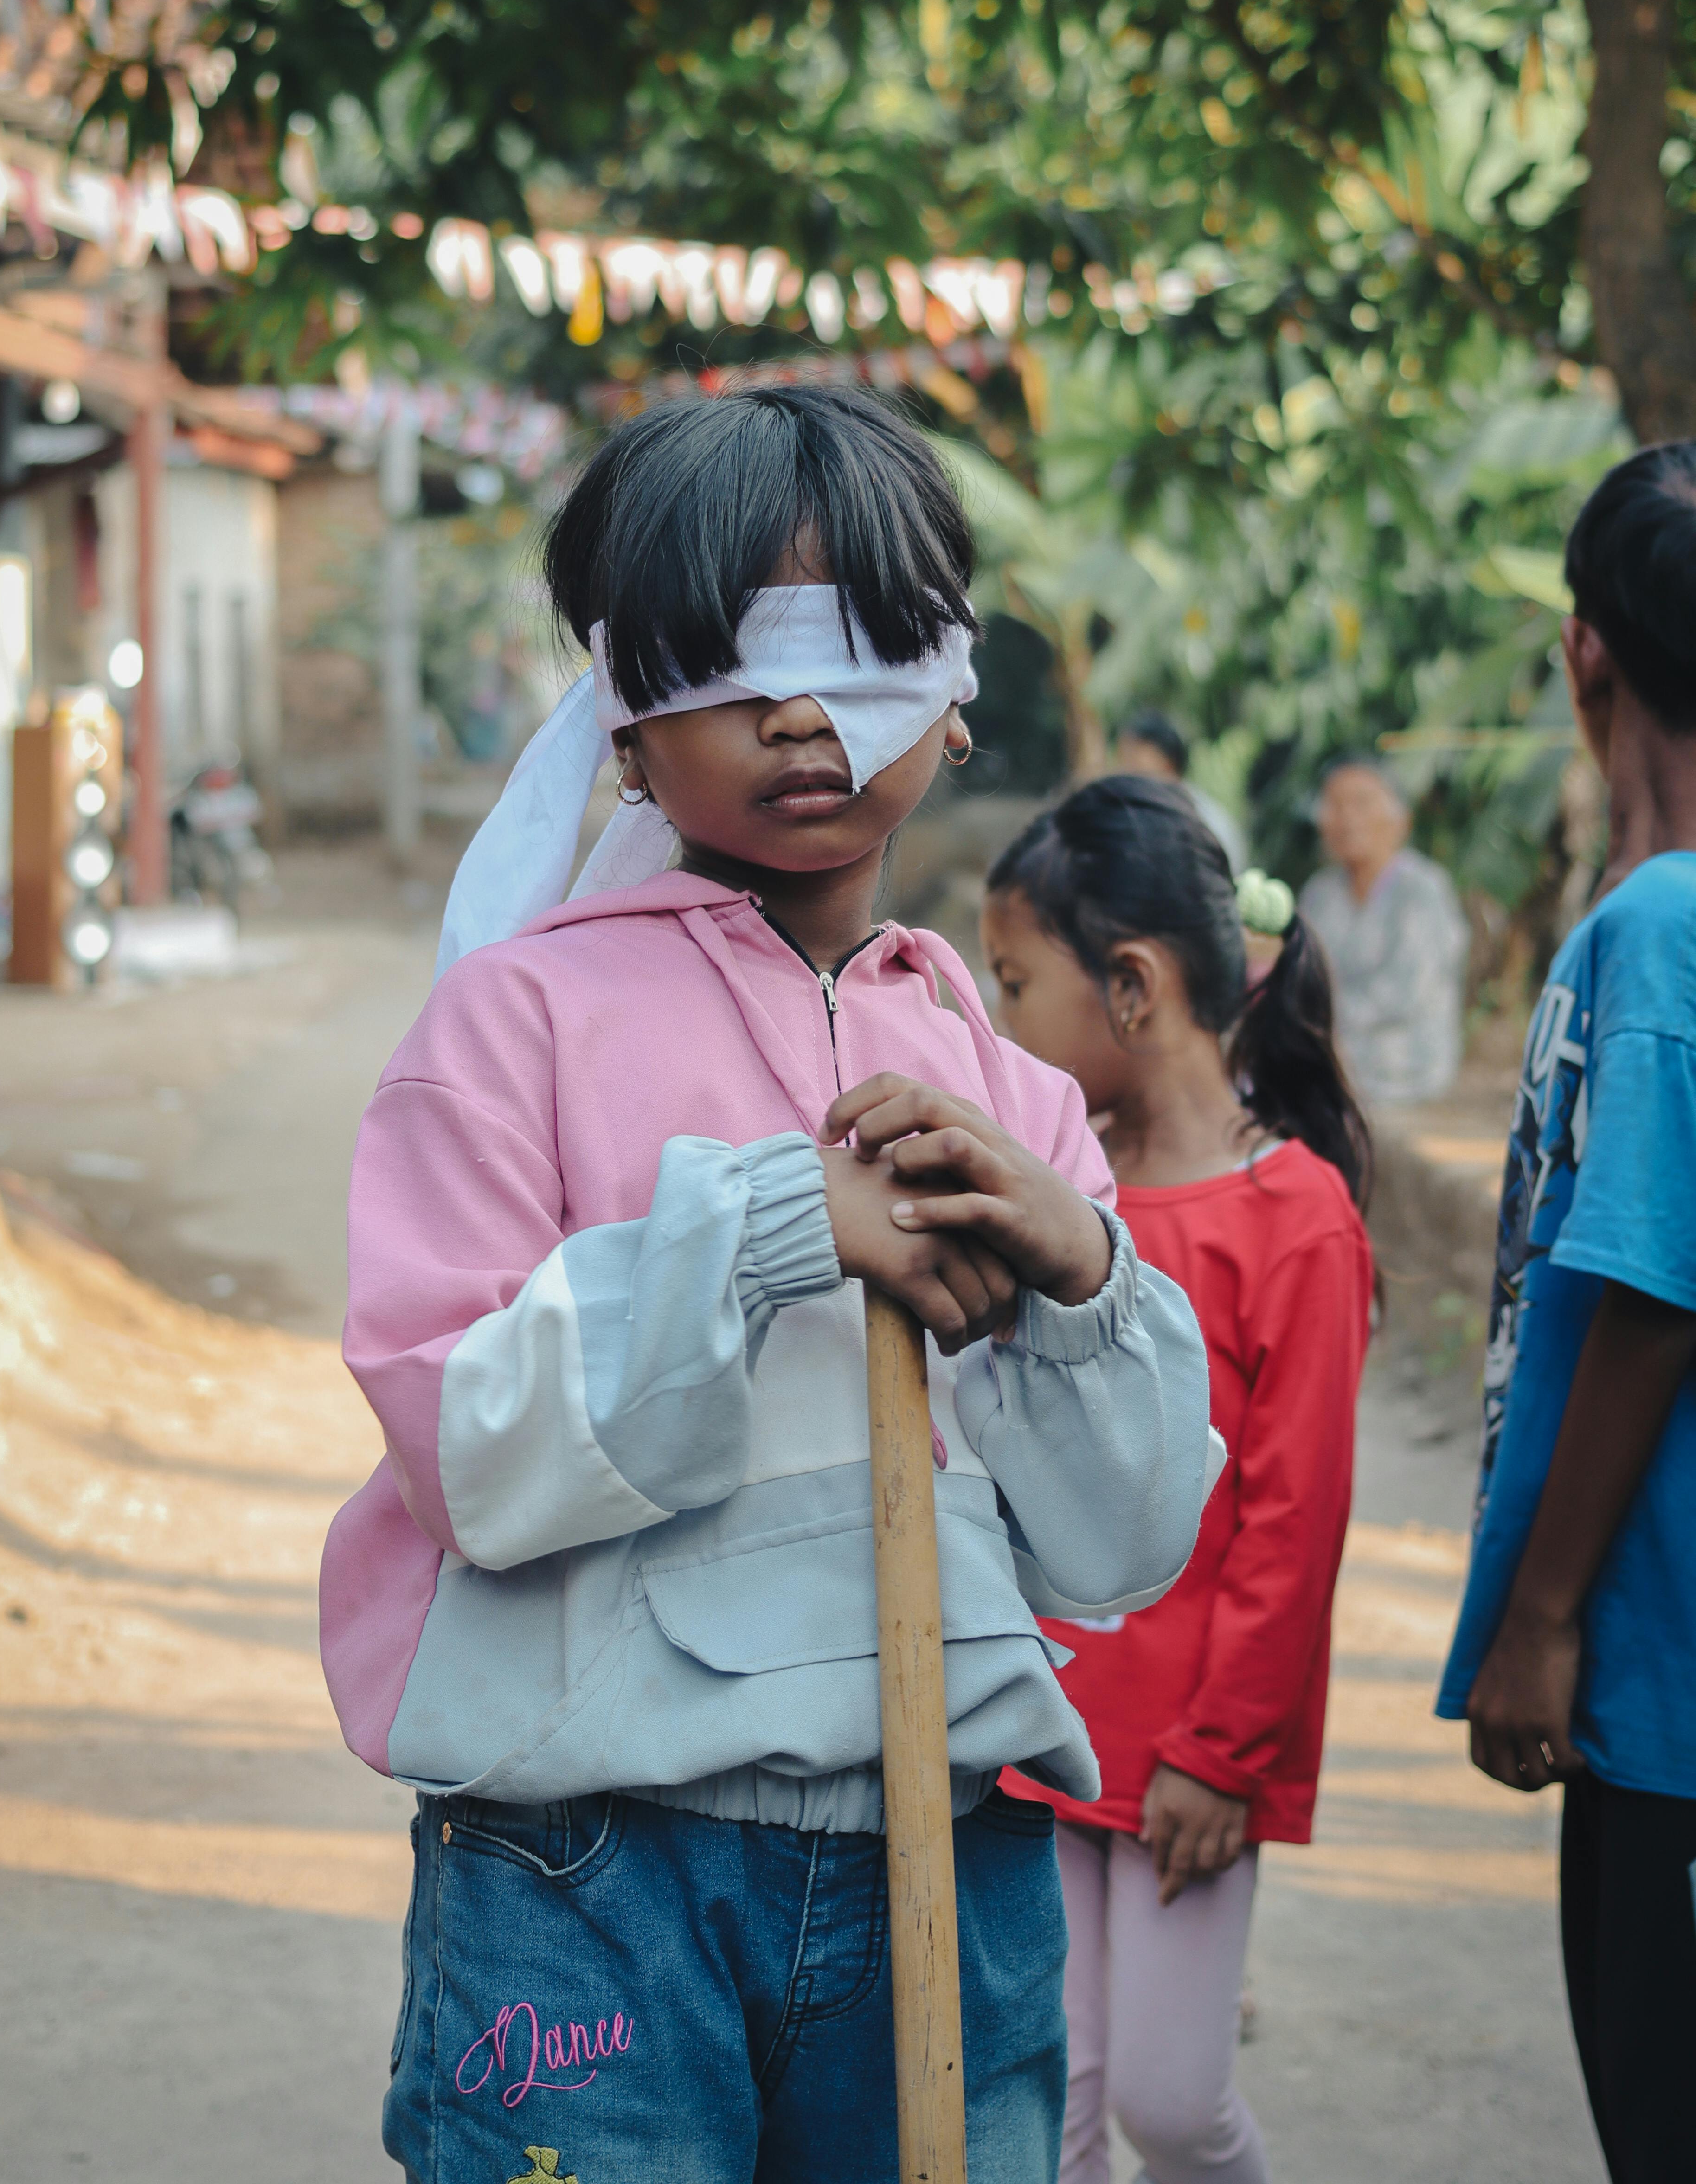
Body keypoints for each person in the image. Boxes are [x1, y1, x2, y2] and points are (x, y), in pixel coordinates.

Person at [321, 389, 1214, 2184]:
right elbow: (471, 1455)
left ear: (953, 701)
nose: (803, 715)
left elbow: (1118, 1548)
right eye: (731, 661)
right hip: (590, 1881)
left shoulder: (1016, 1096)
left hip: (949, 1870)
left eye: (862, 650)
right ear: (627, 727)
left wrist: (1080, 1271)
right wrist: (770, 1233)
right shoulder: (511, 1026)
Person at [982, 779, 1375, 2184]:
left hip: (1188, 1756)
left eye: (1014, 982)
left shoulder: (1295, 1218)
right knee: (1051, 2107)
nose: (998, 1022)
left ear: (1133, 986)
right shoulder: (1057, 1192)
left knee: (1170, 2099)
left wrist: (1222, 1753)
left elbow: (1292, 1522)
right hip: (1042, 1732)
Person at [1437, 443, 1696, 2184]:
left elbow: (1658, 1288)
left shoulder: (1662, 925)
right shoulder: (1641, 911)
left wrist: (1537, 1616)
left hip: (1663, 1669)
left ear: (1578, 649)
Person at [1299, 758, 1468, 1105]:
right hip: (1334, 1052)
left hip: (1402, 1065)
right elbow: (1305, 976)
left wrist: (1315, 1022)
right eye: (1335, 806)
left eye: (1361, 804)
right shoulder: (1320, 893)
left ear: (1399, 821)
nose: (1347, 818)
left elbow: (1404, 992)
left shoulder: (1422, 890)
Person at [1114, 709, 1247, 872]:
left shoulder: (1207, 820)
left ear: (1169, 765)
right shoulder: (1126, 819)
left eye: (1134, 764)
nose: (1124, 774)